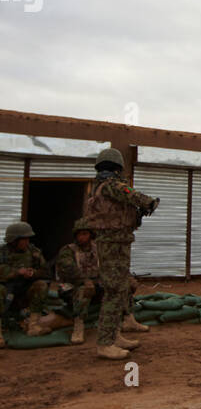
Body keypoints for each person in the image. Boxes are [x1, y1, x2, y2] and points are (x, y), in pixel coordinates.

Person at [81, 148, 158, 361]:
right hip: (113, 244)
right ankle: (105, 343)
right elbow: (132, 195)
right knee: (114, 291)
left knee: (120, 287)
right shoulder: (111, 186)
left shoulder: (99, 187)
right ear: (117, 167)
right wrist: (149, 202)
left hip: (117, 242)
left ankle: (114, 335)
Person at [0, 221, 51, 342]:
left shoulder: (34, 252)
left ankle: (33, 326)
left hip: (24, 291)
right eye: (24, 239)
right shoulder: (2, 253)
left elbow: (46, 272)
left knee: (41, 286)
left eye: (28, 239)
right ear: (14, 240)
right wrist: (16, 272)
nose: (27, 242)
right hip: (6, 290)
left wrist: (33, 273)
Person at [55, 219, 102, 344]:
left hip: (96, 285)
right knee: (83, 290)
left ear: (91, 235)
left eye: (85, 234)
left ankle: (126, 318)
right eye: (79, 234)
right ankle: (78, 325)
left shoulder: (98, 249)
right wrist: (84, 281)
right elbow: (69, 271)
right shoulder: (68, 250)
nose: (82, 237)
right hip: (72, 288)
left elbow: (109, 266)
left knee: (119, 285)